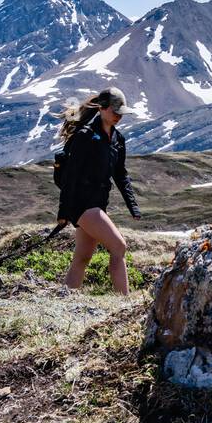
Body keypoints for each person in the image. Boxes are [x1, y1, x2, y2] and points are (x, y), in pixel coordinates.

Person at [55, 87, 141, 294]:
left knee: (82, 257)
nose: (119, 116)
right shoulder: (85, 136)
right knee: (119, 247)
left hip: (98, 203)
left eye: (121, 113)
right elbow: (70, 177)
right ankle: (124, 302)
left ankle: (64, 300)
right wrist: (64, 213)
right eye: (115, 111)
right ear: (102, 109)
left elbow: (120, 174)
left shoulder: (118, 139)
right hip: (83, 204)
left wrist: (133, 207)